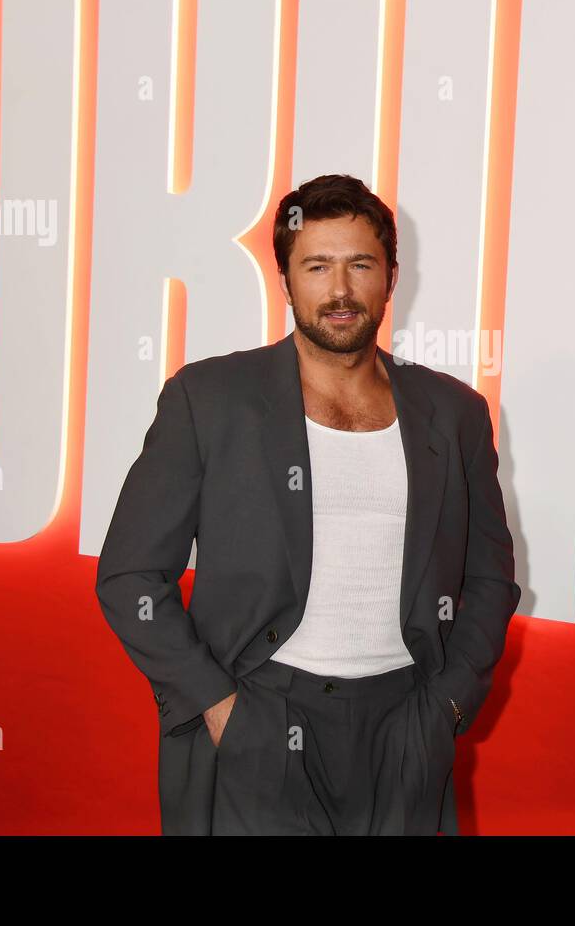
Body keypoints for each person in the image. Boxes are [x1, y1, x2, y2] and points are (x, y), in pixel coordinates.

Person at [95, 173, 520, 834]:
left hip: (404, 724)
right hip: (261, 718)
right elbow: (129, 576)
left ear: (391, 276)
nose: (341, 290)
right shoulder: (209, 401)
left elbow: (491, 580)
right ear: (287, 281)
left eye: (360, 265)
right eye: (317, 266)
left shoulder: (453, 414)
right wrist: (220, 708)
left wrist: (446, 708)